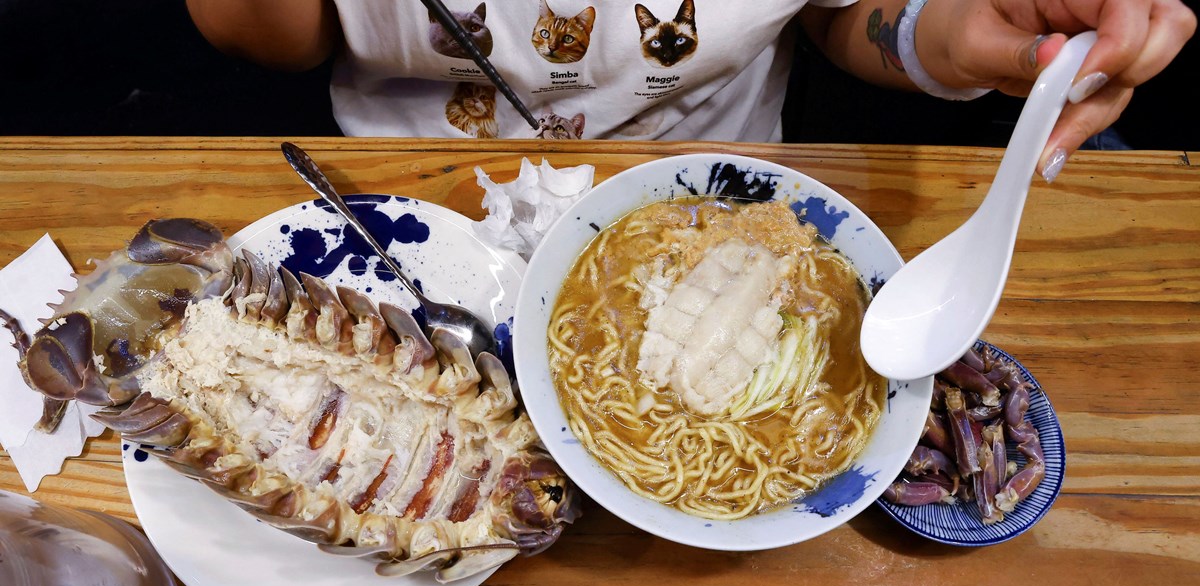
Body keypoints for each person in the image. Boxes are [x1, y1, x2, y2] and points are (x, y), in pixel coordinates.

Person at [184, 0, 1194, 181]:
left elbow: (849, 17)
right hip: (407, 200)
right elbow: (277, 31)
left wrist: (955, 33)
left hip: (715, 205)